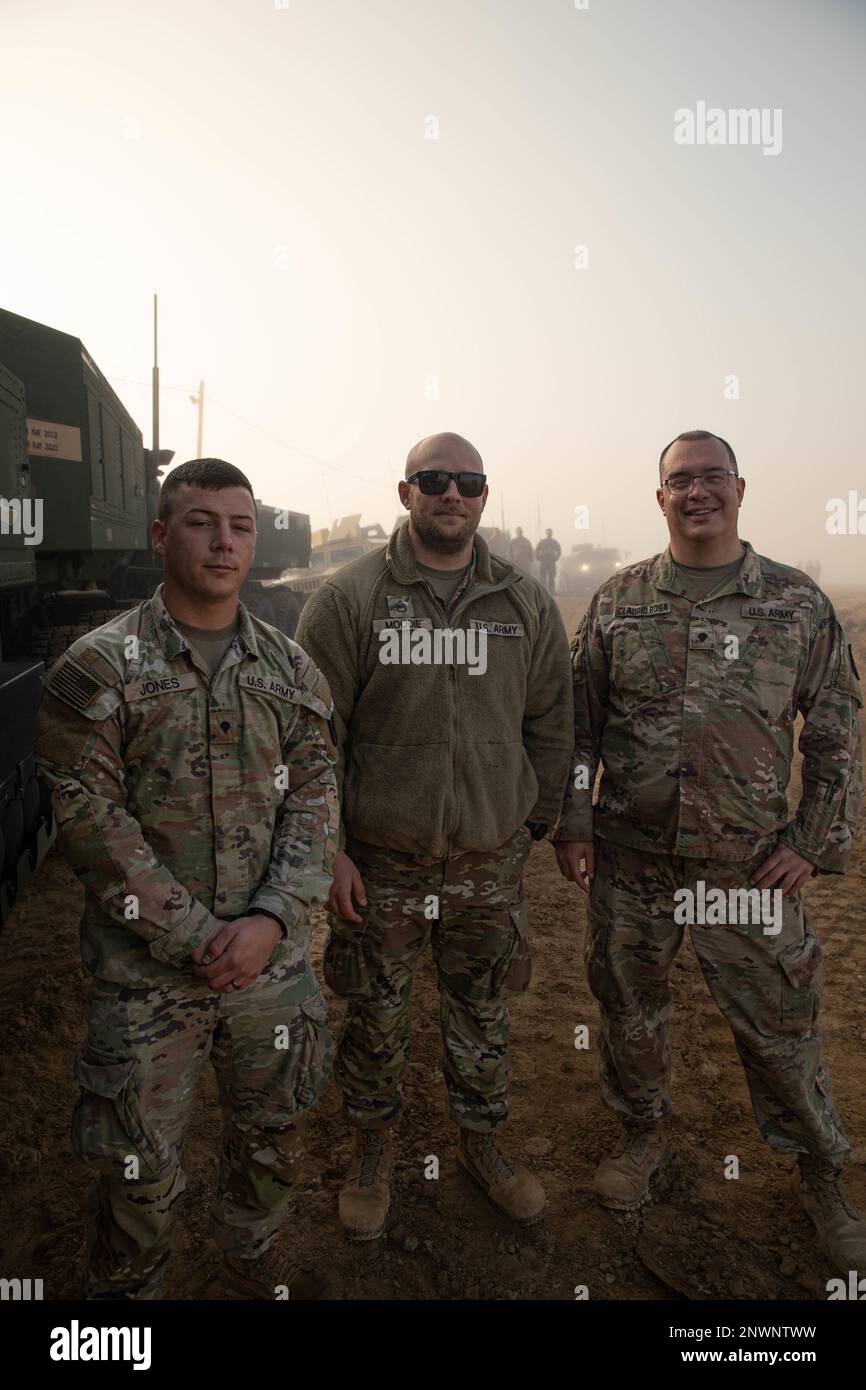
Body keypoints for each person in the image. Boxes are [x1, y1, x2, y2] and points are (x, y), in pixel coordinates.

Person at [554, 429, 865, 1275]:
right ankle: (642, 1140)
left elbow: (837, 735)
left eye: (712, 477)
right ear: (659, 498)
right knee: (630, 1008)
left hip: (747, 870)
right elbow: (578, 728)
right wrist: (575, 822)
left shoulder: (796, 605)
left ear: (739, 489)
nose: (697, 492)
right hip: (633, 862)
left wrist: (813, 841)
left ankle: (821, 1179)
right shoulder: (619, 603)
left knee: (779, 1028)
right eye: (679, 480)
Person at [35, 458, 339, 1300]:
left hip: (269, 971)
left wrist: (274, 918)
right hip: (147, 977)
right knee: (137, 1170)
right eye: (202, 522)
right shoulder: (98, 670)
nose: (225, 542)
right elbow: (90, 820)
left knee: (273, 1138)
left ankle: (251, 1261)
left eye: (241, 526)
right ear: (162, 535)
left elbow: (317, 794)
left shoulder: (290, 667)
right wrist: (199, 936)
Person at [296, 432, 573, 1240]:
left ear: (485, 496)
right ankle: (372, 1150)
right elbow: (316, 742)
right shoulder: (348, 601)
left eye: (469, 482)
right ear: (406, 490)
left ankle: (484, 1146)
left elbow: (552, 723)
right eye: (435, 480)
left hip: (489, 859)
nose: (453, 494)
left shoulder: (523, 603)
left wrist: (530, 824)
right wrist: (334, 848)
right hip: (380, 860)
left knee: (483, 1011)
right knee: (375, 1014)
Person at [535, 529, 561, 594]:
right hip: (544, 561)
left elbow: (559, 551)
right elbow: (537, 550)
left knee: (551, 577)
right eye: (548, 533)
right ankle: (543, 592)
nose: (549, 534)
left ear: (552, 534)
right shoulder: (542, 542)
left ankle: (552, 591)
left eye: (550, 533)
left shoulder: (555, 542)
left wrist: (556, 558)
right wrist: (538, 558)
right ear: (546, 534)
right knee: (543, 577)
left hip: (552, 562)